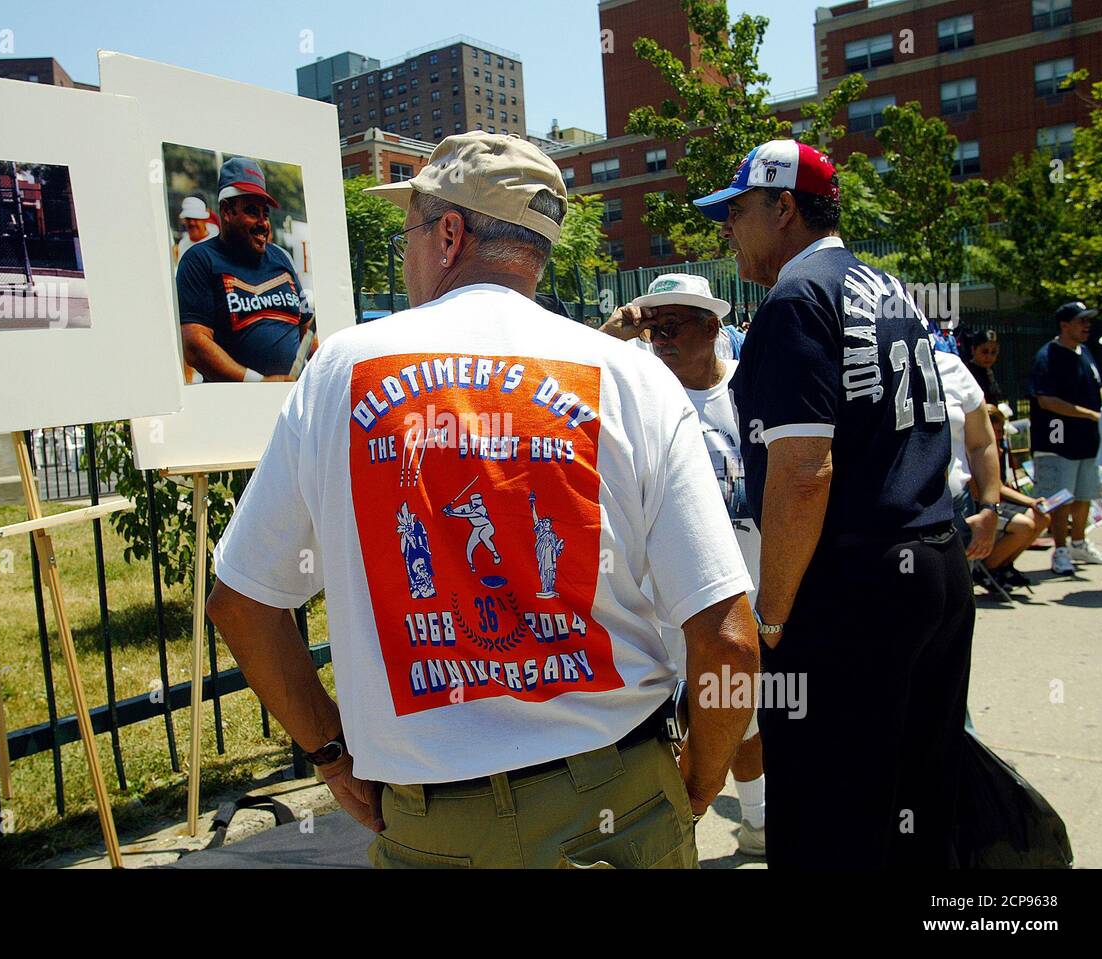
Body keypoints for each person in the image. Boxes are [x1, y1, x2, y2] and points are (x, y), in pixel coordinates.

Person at [206, 132, 758, 869]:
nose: (406, 254)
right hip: (619, 805)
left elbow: (241, 603)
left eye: (410, 229)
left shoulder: (342, 369)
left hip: (433, 825)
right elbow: (727, 634)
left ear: (449, 233)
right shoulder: (631, 378)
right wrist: (699, 782)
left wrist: (332, 754)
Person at [694, 138, 974, 869]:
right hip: (935, 565)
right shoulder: (889, 286)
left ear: (783, 208)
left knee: (827, 819)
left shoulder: (796, 298)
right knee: (917, 804)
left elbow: (805, 473)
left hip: (854, 588)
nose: (728, 228)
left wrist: (775, 612)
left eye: (738, 210)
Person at [600, 272, 767, 857]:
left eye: (673, 327)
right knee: (670, 729)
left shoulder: (751, 391)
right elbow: (567, 397)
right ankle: (672, 838)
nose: (660, 340)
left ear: (714, 328)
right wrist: (613, 335)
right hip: (662, 604)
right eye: (652, 329)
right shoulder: (637, 395)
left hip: (750, 588)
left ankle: (758, 822)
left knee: (738, 716)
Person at [175, 157, 313, 382]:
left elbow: (308, 331)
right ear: (227, 212)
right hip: (235, 406)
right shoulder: (199, 260)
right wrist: (258, 383)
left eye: (265, 214)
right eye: (252, 212)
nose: (263, 223)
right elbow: (194, 345)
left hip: (291, 399)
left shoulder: (281, 258)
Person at [1028, 301, 1102, 573]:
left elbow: (1098, 391)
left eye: (1088, 321)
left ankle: (1079, 544)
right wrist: (1092, 415)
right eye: (1081, 321)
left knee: (1085, 494)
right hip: (1057, 443)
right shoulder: (1047, 355)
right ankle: (1059, 551)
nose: (1087, 326)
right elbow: (1046, 400)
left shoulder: (1084, 352)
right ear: (1064, 325)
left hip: (1087, 443)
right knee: (1060, 497)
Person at [932, 329, 1003, 576]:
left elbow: (982, 443)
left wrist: (989, 509)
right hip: (888, 518)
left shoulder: (952, 368)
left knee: (956, 607)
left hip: (955, 507)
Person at [984, 404, 1051, 588]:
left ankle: (1005, 564)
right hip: (983, 505)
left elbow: (1002, 485)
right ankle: (987, 568)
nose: (998, 435)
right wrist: (1031, 501)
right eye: (995, 431)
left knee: (1042, 517)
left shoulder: (999, 448)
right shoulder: (980, 450)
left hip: (999, 500)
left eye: (1000, 431)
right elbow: (994, 488)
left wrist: (1033, 503)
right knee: (1025, 526)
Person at [172, 195, 219, 271]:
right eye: (188, 219)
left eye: (195, 219)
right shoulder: (183, 244)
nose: (192, 223)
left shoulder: (217, 239)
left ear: (204, 219)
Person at [963, 327, 1004, 405]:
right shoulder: (967, 372)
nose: (989, 357)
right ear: (973, 350)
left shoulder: (990, 370)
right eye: (984, 351)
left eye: (993, 352)